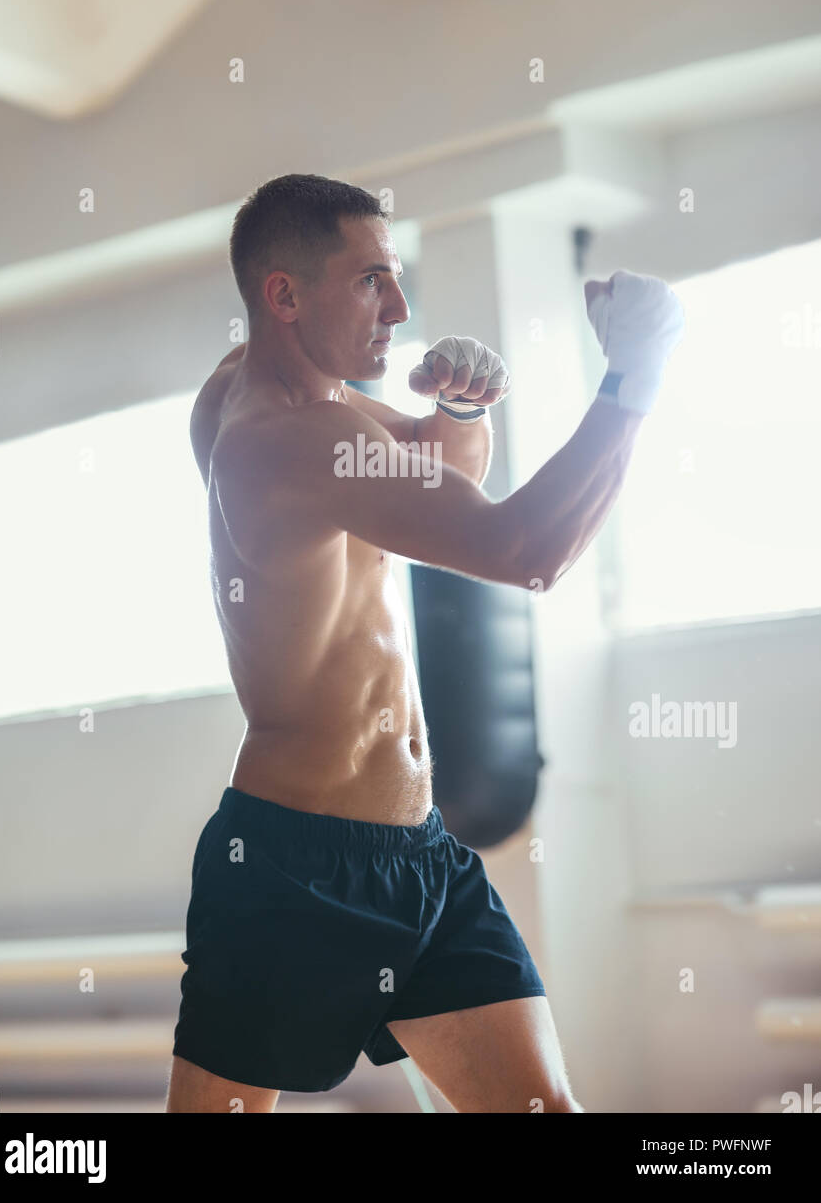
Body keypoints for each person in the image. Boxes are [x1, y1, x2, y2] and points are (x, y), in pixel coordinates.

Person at [166, 173, 684, 1113]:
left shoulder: (296, 405)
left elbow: (435, 467)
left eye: (394, 278)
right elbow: (525, 552)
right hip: (292, 869)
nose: (399, 308)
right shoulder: (279, 440)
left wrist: (461, 409)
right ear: (283, 294)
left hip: (421, 857)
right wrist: (631, 383)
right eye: (371, 281)